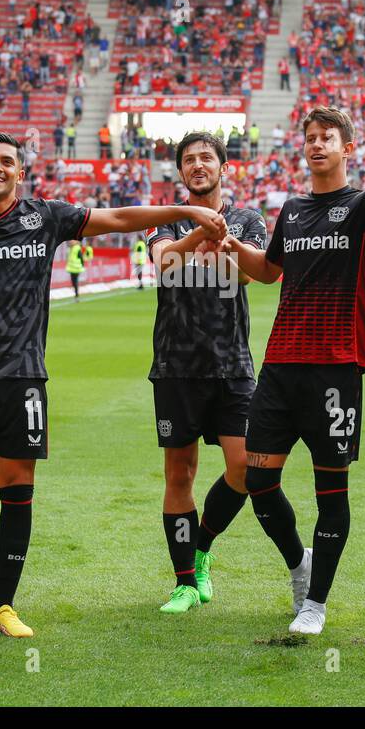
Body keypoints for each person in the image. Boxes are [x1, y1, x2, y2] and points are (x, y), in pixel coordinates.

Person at [0, 132, 225, 638]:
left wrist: (183, 211)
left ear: (21, 172)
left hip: (23, 374)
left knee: (18, 487)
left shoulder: (45, 217)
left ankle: (6, 604)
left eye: (7, 161)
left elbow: (117, 218)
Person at [221, 106, 365, 635]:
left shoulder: (364, 203)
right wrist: (233, 247)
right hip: (280, 365)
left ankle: (316, 603)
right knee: (258, 479)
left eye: (328, 137)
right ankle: (300, 563)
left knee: (332, 492)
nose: (317, 144)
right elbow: (269, 270)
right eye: (311, 137)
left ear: (347, 148)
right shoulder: (293, 209)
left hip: (336, 369)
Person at [146, 131, 267, 613]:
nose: (198, 165)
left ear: (224, 167)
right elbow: (165, 265)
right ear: (180, 172)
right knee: (180, 473)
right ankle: (183, 584)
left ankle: (201, 552)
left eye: (206, 158)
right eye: (189, 159)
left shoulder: (249, 219)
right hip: (175, 365)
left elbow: (247, 272)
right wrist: (203, 233)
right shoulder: (168, 219)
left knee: (245, 468)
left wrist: (217, 245)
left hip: (232, 364)